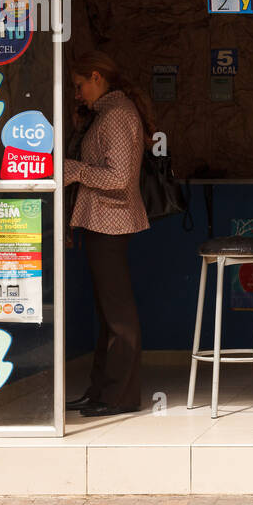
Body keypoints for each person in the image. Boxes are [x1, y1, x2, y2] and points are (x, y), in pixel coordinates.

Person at [64, 51, 152, 418]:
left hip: (111, 221)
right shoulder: (110, 113)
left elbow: (119, 178)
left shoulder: (116, 116)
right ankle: (101, 390)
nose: (77, 93)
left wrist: (74, 170)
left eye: (80, 85)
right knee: (108, 314)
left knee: (117, 316)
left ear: (97, 77)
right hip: (104, 220)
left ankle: (120, 396)